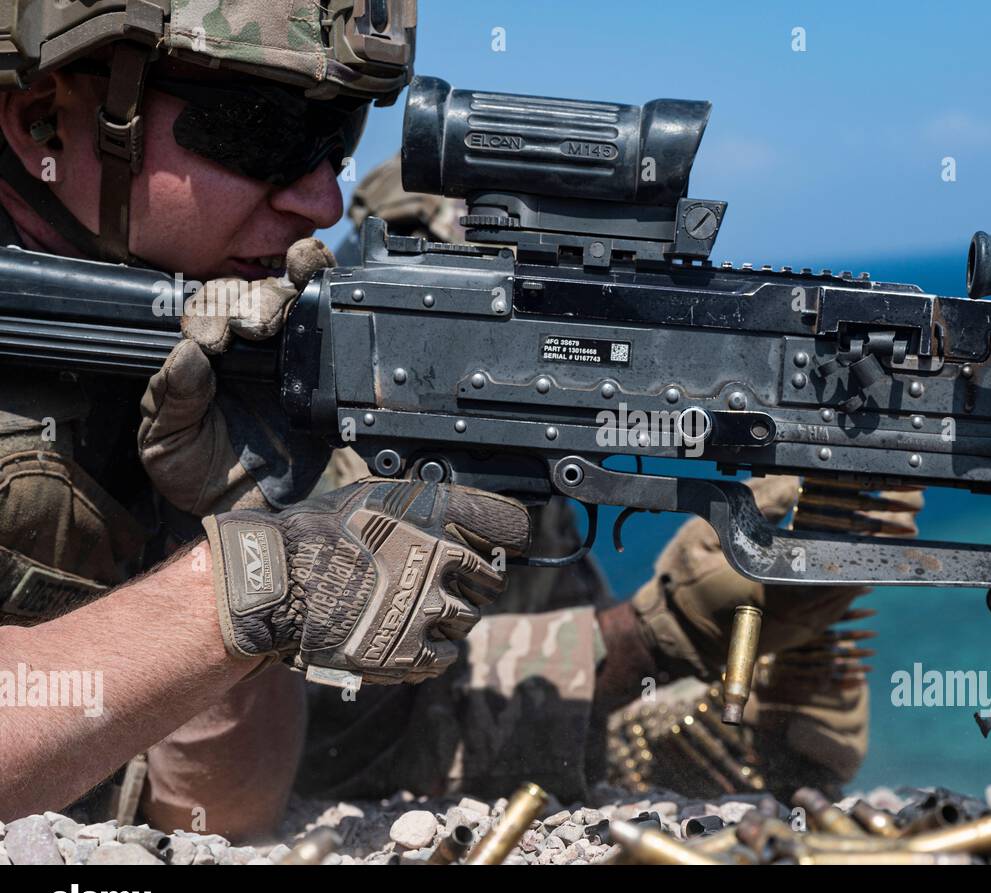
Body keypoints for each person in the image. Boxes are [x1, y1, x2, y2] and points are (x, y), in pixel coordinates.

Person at [0, 1, 904, 835]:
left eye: (334, 136)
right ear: (46, 118)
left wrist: (220, 530)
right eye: (258, 132)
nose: (318, 200)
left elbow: (215, 814)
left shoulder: (197, 344)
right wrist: (232, 592)